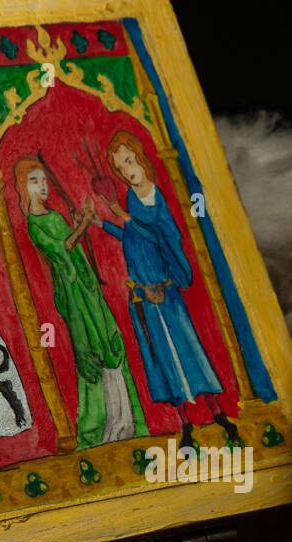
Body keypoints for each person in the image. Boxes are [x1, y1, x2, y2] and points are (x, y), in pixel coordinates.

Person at [93, 129, 241, 452]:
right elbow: (134, 239)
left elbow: (164, 236)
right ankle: (186, 425)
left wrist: (124, 217)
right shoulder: (132, 198)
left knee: (190, 354)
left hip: (166, 291)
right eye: (120, 169)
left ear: (141, 158)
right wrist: (102, 223)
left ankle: (219, 417)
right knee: (164, 361)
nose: (127, 172)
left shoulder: (153, 197)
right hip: (144, 296)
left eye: (129, 162)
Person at [15, 156, 146, 448]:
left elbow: (73, 244)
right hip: (73, 294)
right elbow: (64, 248)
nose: (43, 186)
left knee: (110, 340)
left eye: (44, 180)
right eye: (34, 181)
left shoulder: (56, 217)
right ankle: (101, 426)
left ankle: (126, 422)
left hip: (87, 287)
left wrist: (81, 224)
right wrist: (84, 222)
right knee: (91, 348)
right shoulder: (35, 224)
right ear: (23, 188)